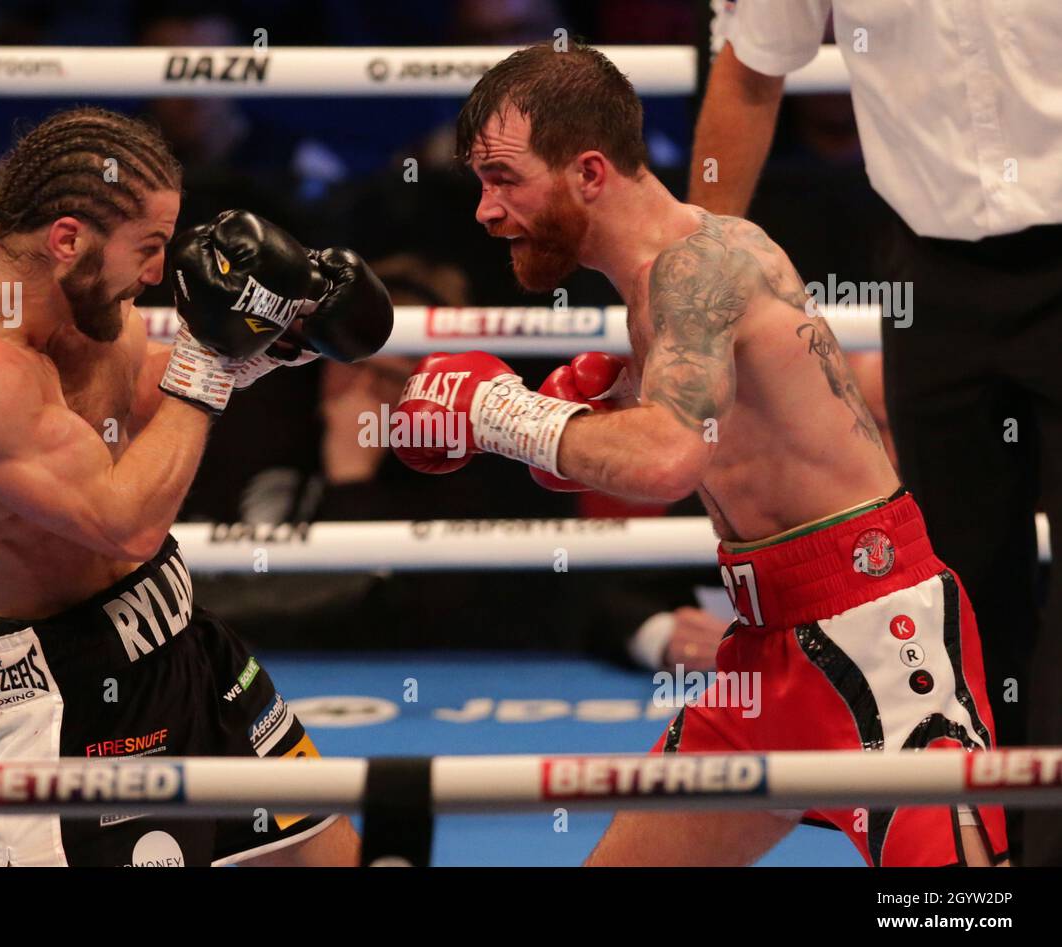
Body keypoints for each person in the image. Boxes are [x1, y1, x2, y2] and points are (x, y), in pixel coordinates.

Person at [394, 42, 1007, 866]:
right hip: (765, 645)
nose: (485, 210)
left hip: (876, 631)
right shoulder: (654, 284)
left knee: (958, 919)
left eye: (504, 178)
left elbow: (665, 462)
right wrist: (589, 419)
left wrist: (498, 410)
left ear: (589, 172)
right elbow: (690, 443)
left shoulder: (697, 268)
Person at [0, 106, 391, 867]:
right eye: (148, 250)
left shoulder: (91, 293)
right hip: (61, 689)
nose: (158, 275)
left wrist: (273, 344)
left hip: (178, 632)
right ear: (66, 239)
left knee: (327, 857)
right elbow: (121, 521)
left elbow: (137, 399)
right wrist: (207, 362)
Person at [690, 0, 1062, 864]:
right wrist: (686, 298)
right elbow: (750, 70)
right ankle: (976, 866)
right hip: (932, 273)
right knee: (958, 588)